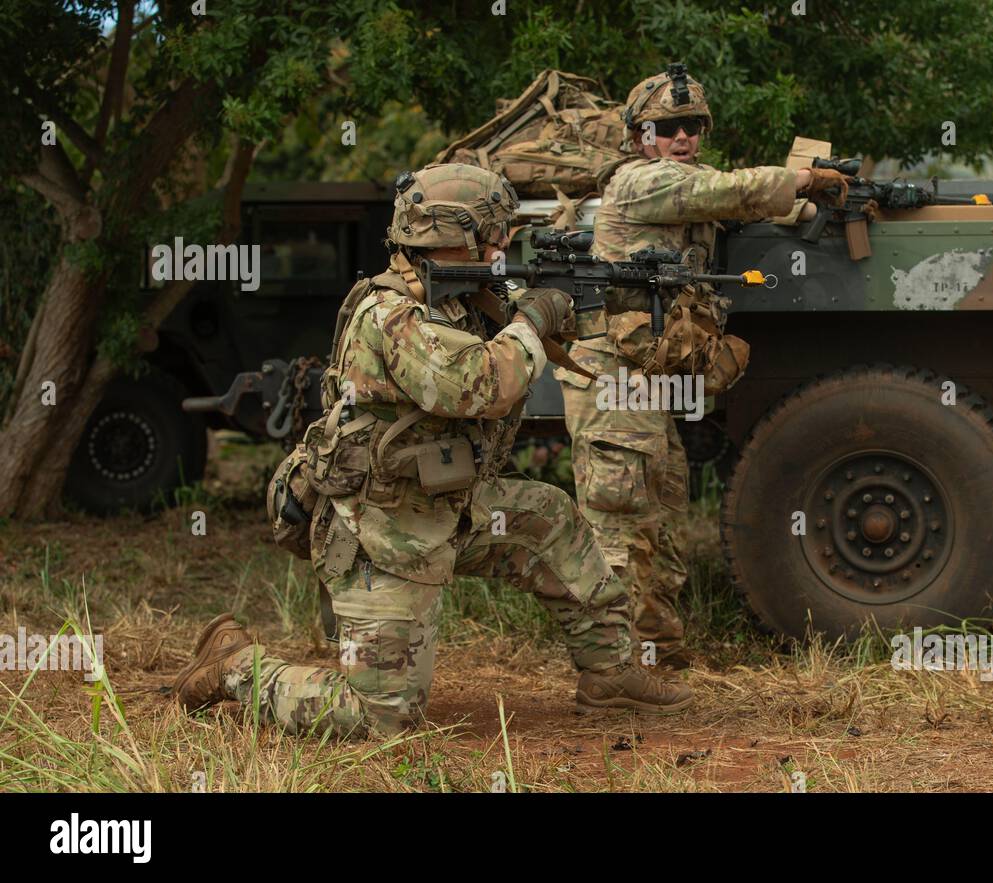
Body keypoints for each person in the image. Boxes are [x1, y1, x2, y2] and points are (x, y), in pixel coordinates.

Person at [172, 163, 691, 739]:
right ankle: (235, 669)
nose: (503, 245)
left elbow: (551, 314)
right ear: (452, 237)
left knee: (549, 518)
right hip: (380, 529)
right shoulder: (390, 317)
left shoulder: (463, 296)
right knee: (379, 720)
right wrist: (534, 316)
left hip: (449, 505)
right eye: (494, 233)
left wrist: (616, 289)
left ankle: (613, 674)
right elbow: (487, 382)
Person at [556, 67, 848, 669]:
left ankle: (656, 652)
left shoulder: (689, 190)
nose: (682, 137)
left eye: (692, 127)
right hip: (612, 378)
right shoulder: (640, 183)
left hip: (645, 382)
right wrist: (809, 178)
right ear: (642, 137)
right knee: (619, 528)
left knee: (659, 516)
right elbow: (730, 191)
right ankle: (611, 671)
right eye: (667, 128)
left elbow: (731, 202)